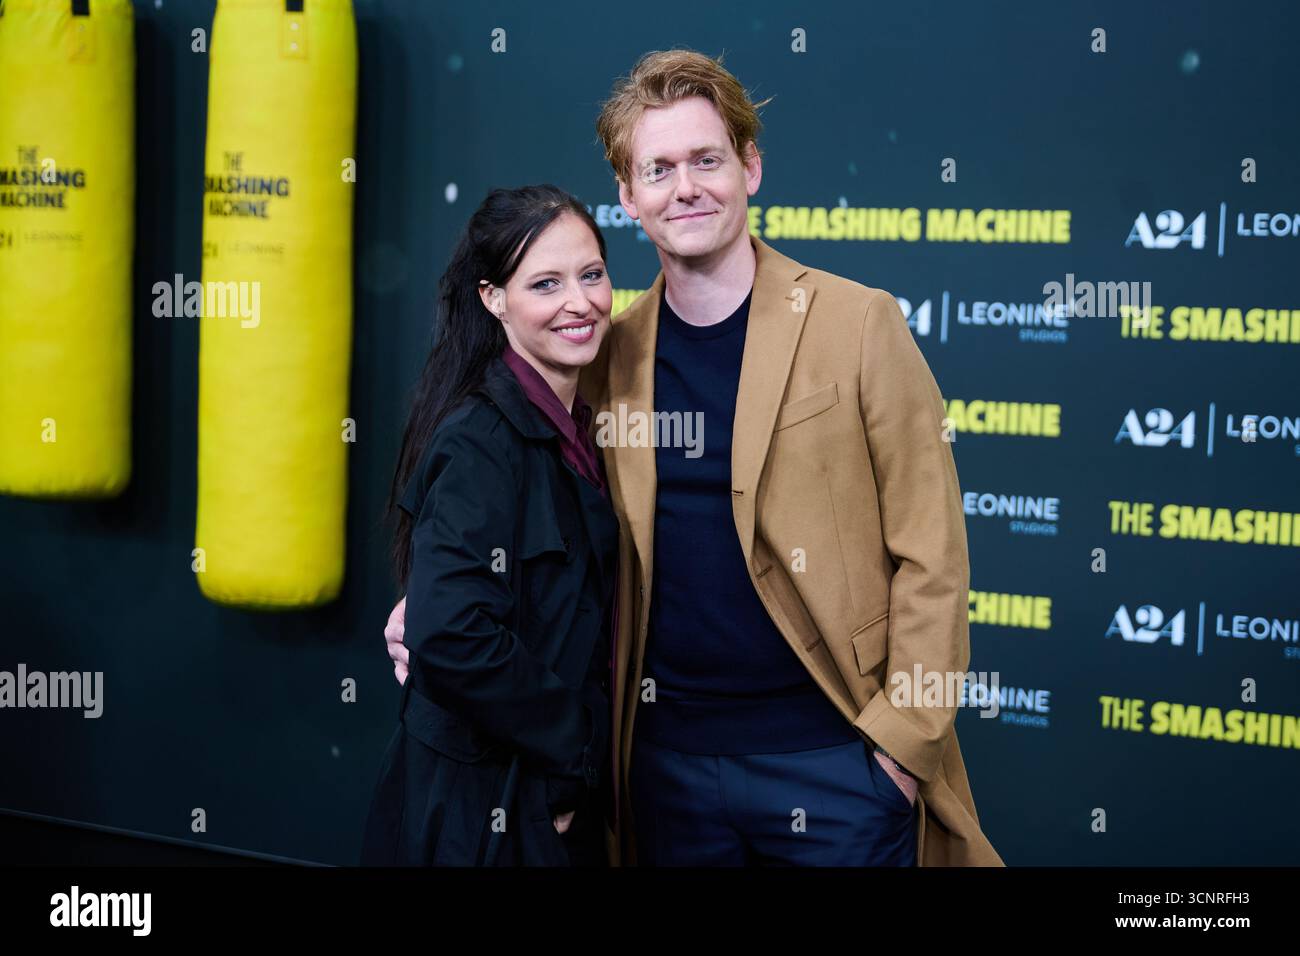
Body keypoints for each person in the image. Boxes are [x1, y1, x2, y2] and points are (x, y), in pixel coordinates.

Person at [386, 49, 1003, 867]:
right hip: (662, 771)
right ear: (628, 197)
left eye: (707, 160)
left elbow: (933, 553)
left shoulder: (858, 324)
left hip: (834, 762)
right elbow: (545, 528)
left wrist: (897, 747)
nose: (686, 187)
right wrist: (431, 612)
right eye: (660, 169)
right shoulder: (607, 355)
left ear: (751, 167)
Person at [361, 184, 618, 866]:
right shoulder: (480, 438)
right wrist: (581, 745)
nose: (580, 302)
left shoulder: (580, 428)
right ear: (493, 298)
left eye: (592, 274)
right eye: (545, 284)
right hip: (481, 811)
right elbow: (447, 633)